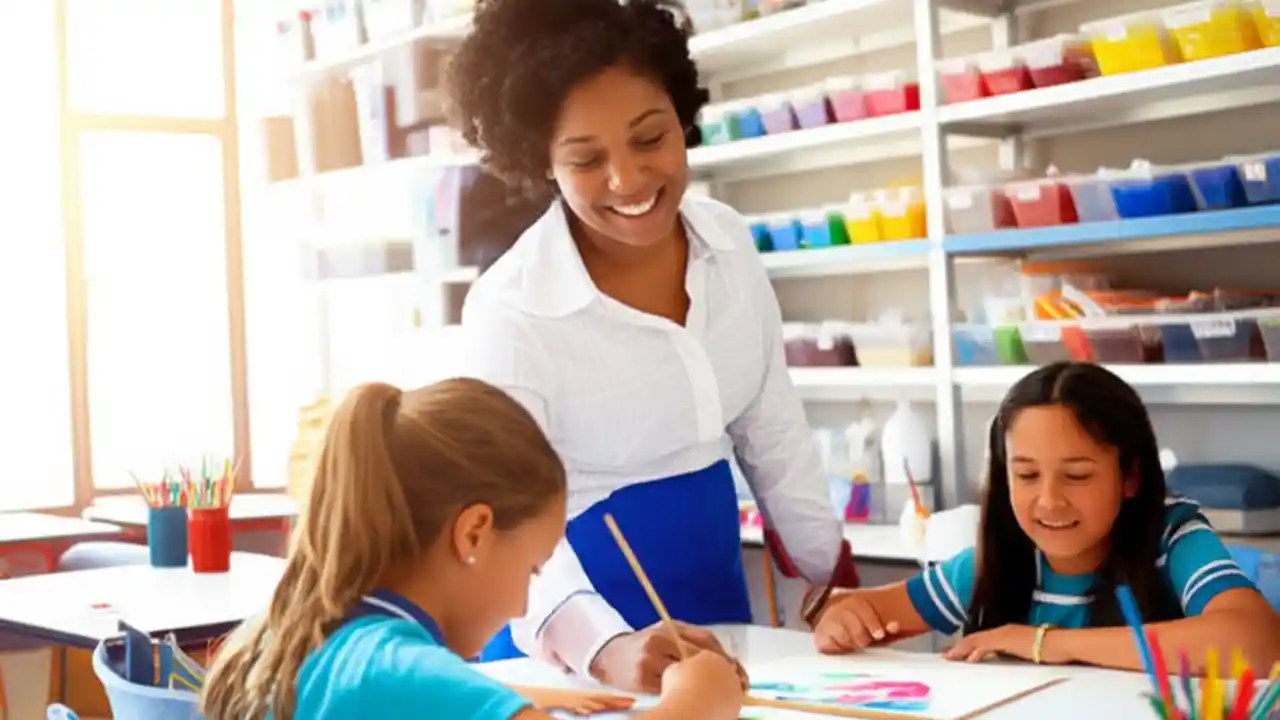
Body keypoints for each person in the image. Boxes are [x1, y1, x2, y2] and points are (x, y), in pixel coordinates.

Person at [449, 0, 860, 693]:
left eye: (650, 138)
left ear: (682, 116)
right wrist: (602, 646)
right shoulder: (511, 310)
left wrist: (830, 582)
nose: (629, 179)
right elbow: (504, 517)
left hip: (711, 602)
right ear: (542, 161)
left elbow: (773, 431)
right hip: (564, 638)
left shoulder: (728, 245)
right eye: (587, 159)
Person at [200, 378, 744, 720]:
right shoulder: (398, 673)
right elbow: (417, 690)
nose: (523, 605)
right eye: (532, 571)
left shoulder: (296, 639)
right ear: (473, 534)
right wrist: (697, 702)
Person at [812, 362, 1280, 675]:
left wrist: (1045, 643)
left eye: (1077, 476)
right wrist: (843, 618)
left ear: (1130, 476)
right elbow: (861, 610)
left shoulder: (1173, 538)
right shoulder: (999, 560)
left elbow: (1257, 642)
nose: (1049, 500)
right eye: (1027, 475)